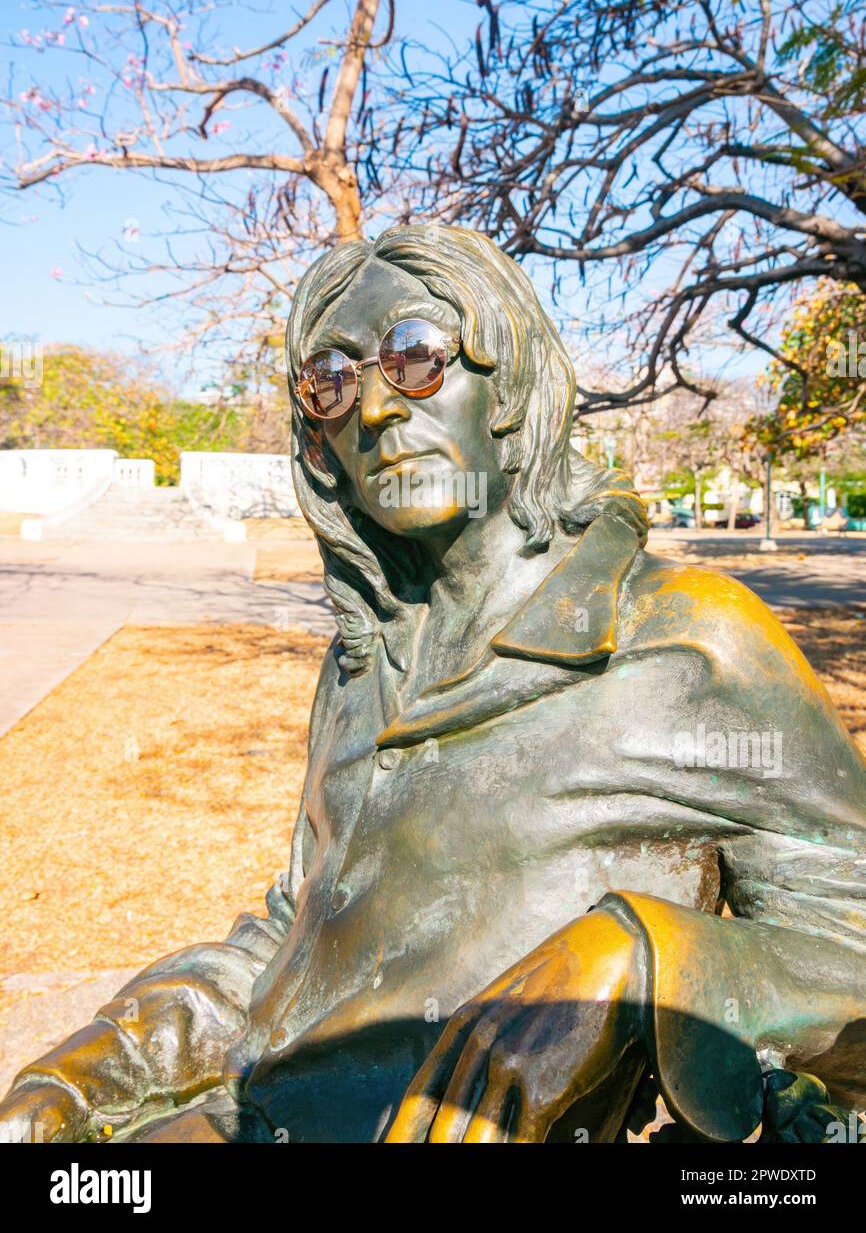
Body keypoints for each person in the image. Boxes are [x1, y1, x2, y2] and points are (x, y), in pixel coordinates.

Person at [2, 225, 864, 1145]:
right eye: (330, 380)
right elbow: (304, 936)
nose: (373, 408)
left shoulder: (686, 638)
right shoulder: (365, 658)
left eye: (415, 356)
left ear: (509, 385)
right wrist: (92, 1072)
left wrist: (639, 962)